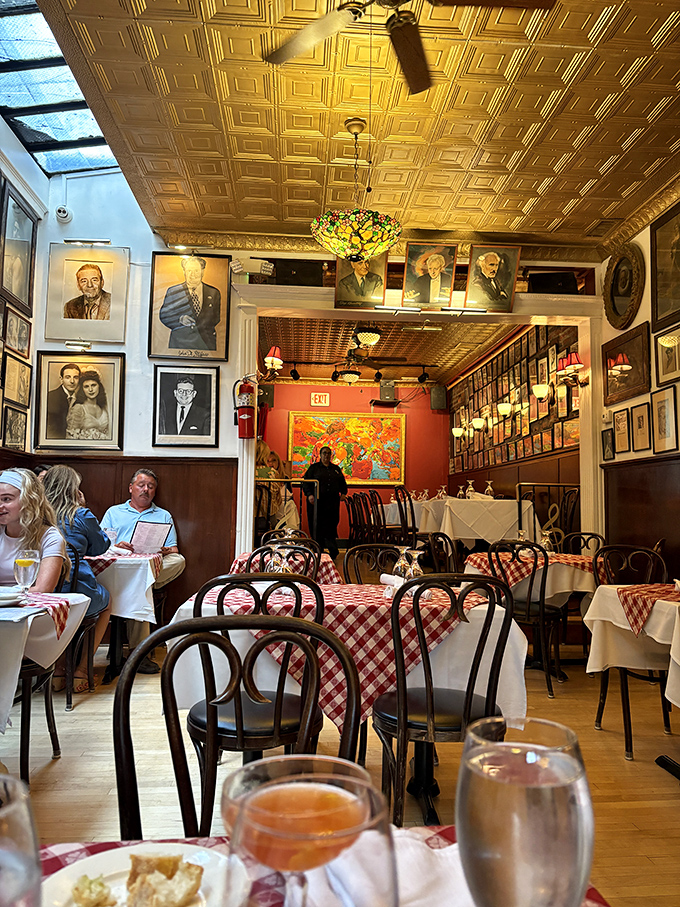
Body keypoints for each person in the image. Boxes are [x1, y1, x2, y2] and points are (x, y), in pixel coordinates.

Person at [100, 468, 185, 673]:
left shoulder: (163, 515)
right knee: (141, 586)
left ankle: (137, 652)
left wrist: (163, 550)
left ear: (155, 491)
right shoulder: (113, 512)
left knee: (177, 561)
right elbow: (100, 545)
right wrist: (116, 545)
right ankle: (140, 655)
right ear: (131, 488)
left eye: (151, 486)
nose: (146, 489)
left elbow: (174, 550)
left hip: (149, 565)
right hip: (119, 568)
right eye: (141, 485)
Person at [43, 466, 113, 694]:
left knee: (58, 612)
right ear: (73, 489)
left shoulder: (37, 516)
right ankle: (82, 670)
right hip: (75, 589)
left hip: (43, 593)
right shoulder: (80, 515)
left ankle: (58, 670)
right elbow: (101, 546)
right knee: (107, 602)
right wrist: (82, 507)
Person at [0, 468, 67, 593]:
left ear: (29, 500)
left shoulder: (49, 537)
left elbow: (43, 589)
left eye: (6, 499)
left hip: (31, 603)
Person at [159, 256, 221, 350]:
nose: (193, 275)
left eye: (196, 271)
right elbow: (164, 315)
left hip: (206, 344)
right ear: (184, 272)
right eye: (189, 271)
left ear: (202, 272)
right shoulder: (173, 291)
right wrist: (180, 319)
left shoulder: (214, 292)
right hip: (180, 343)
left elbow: (216, 318)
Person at [302, 446, 347, 559]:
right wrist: (309, 495)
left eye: (328, 453)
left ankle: (333, 551)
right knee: (317, 526)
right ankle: (318, 550)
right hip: (317, 504)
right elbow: (306, 482)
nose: (326, 455)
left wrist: (343, 493)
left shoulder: (335, 469)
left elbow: (342, 483)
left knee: (331, 526)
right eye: (324, 453)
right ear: (320, 455)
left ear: (331, 456)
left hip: (332, 504)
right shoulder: (314, 468)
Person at [66, 368, 110, 441]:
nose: (90, 390)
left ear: (99, 386)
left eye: (93, 385)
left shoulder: (103, 407)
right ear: (82, 389)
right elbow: (71, 436)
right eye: (86, 386)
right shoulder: (79, 408)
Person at [46, 363, 81, 440]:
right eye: (68, 377)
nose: (72, 381)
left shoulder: (81, 399)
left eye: (75, 377)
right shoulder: (50, 397)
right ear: (61, 379)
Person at [267, 450, 300, 530]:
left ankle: (292, 531)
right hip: (271, 508)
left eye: (274, 460)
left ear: (278, 462)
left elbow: (290, 496)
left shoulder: (285, 478)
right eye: (268, 461)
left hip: (285, 506)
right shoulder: (265, 479)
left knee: (291, 505)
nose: (271, 463)